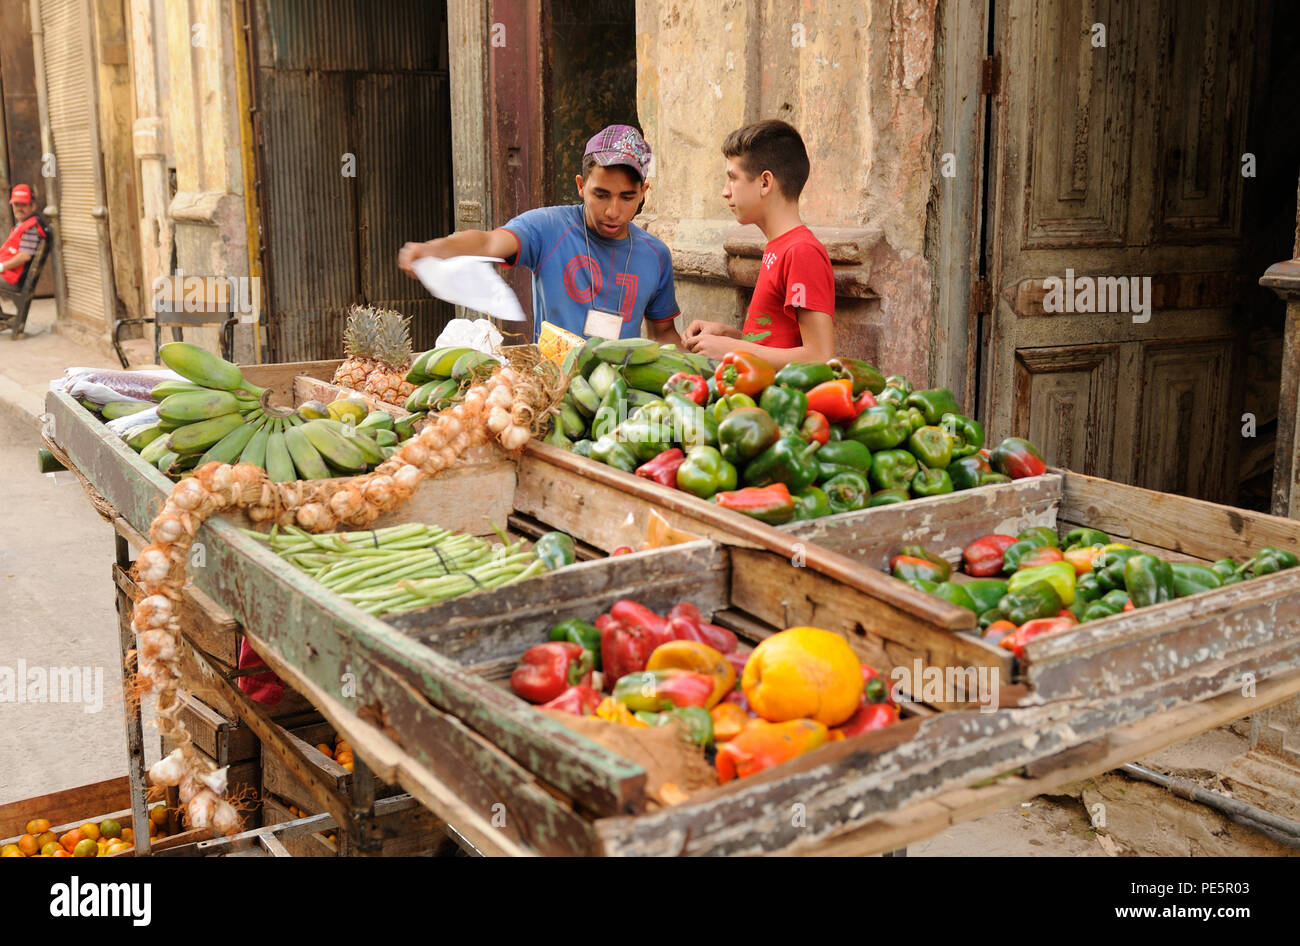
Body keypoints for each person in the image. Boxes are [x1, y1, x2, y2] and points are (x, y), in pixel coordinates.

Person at [399, 125, 681, 346]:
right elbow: (489, 242)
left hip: (622, 395)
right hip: (553, 390)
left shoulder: (655, 255)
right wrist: (435, 248)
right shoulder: (548, 228)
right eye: (601, 195)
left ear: (644, 192)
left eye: (627, 197)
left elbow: (664, 335)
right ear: (581, 186)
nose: (613, 211)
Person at [682, 120, 834, 369]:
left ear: (765, 183)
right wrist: (728, 336)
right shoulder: (779, 246)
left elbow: (820, 357)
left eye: (733, 179)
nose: (725, 191)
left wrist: (733, 350)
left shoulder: (802, 251)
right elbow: (778, 345)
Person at [0, 184, 46, 289]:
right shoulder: (23, 224)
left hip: (12, 278)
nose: (19, 209)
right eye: (16, 205)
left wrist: (2, 267)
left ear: (33, 206)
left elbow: (25, 256)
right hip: (7, 273)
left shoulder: (31, 227)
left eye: (23, 205)